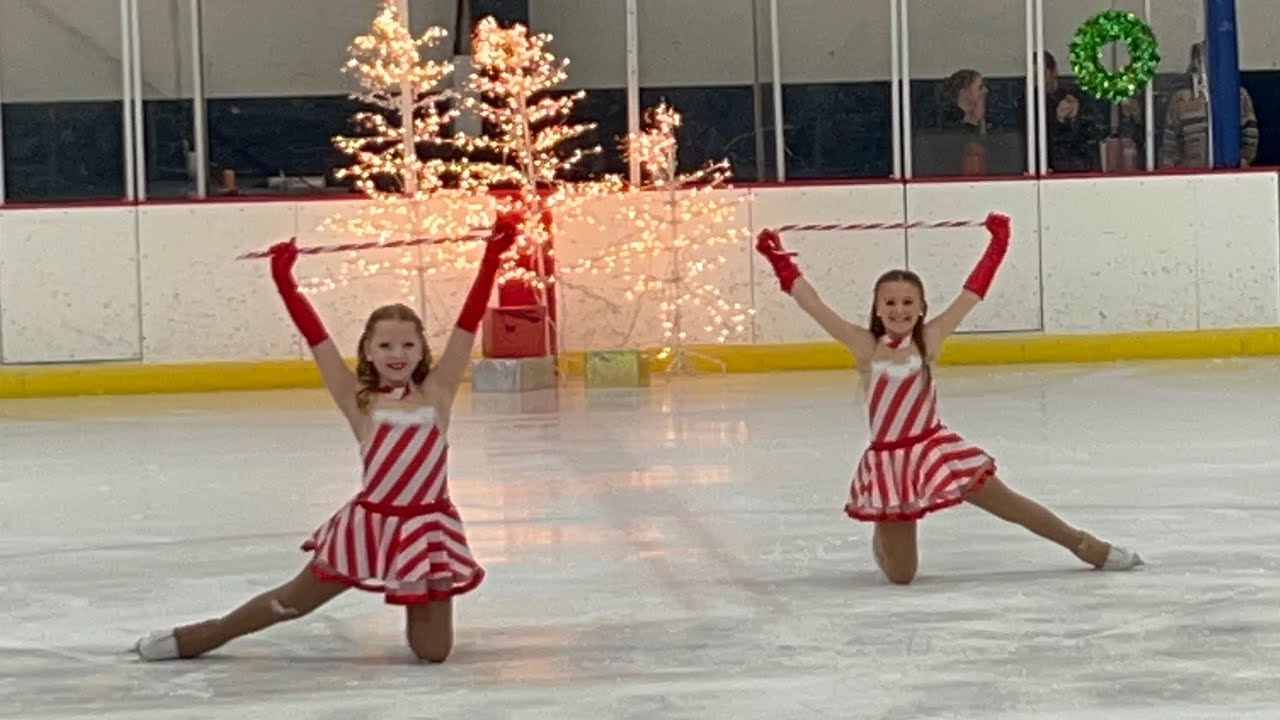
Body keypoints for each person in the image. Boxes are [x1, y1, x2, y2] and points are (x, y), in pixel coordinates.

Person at [133, 211, 522, 662]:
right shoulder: (358, 398)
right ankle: (205, 635)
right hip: (369, 527)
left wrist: (492, 257)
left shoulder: (438, 391)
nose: (397, 355)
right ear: (369, 352)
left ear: (421, 350)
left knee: (433, 653)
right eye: (385, 346)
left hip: (427, 530)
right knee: (292, 603)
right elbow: (316, 337)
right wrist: (286, 282)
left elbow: (467, 325)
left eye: (407, 346)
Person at [753, 213, 1143, 583]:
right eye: (889, 302)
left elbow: (971, 294)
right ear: (876, 307)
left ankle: (1087, 546)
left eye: (908, 303)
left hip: (935, 450)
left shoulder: (929, 339)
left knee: (1010, 505)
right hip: (890, 463)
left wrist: (998, 243)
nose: (899, 310)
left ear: (922, 308)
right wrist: (779, 260)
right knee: (902, 577)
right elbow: (812, 303)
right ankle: (883, 529)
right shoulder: (864, 345)